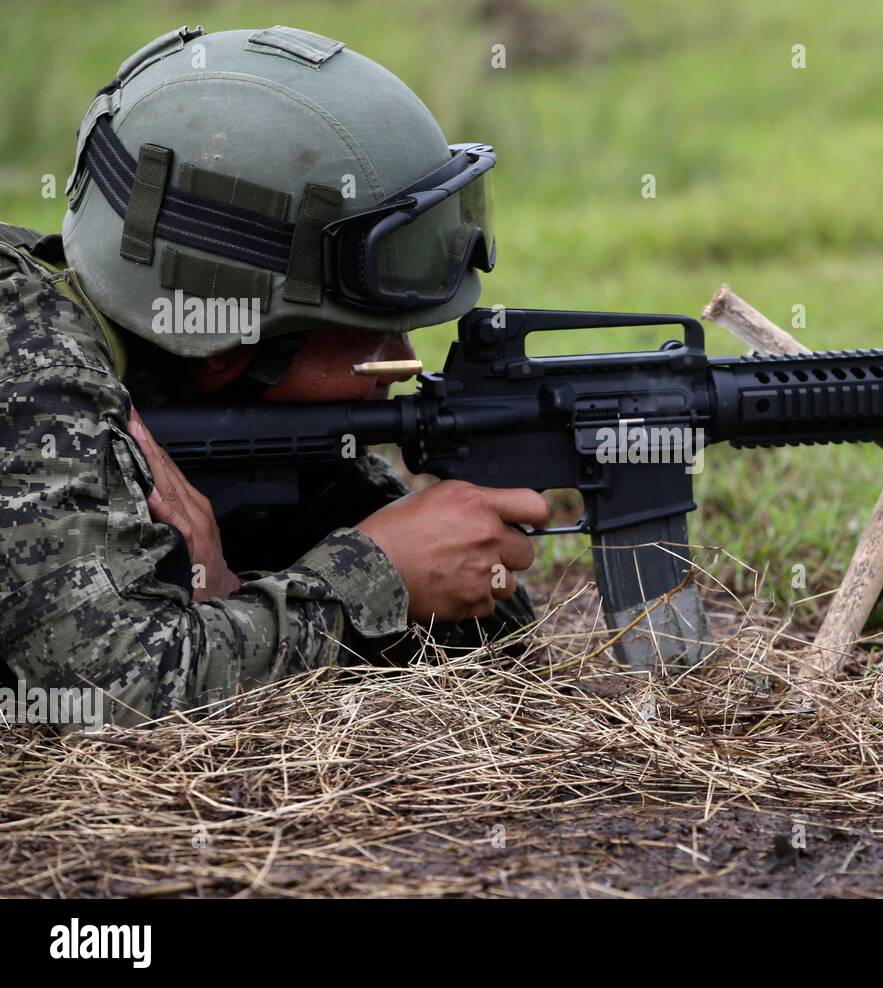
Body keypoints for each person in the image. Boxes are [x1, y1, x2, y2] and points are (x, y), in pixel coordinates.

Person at [0, 25, 548, 728]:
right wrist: (372, 577)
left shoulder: (199, 397)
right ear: (227, 344)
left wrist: (237, 595)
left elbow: (485, 645)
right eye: (371, 328)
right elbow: (108, 695)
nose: (399, 359)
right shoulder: (32, 375)